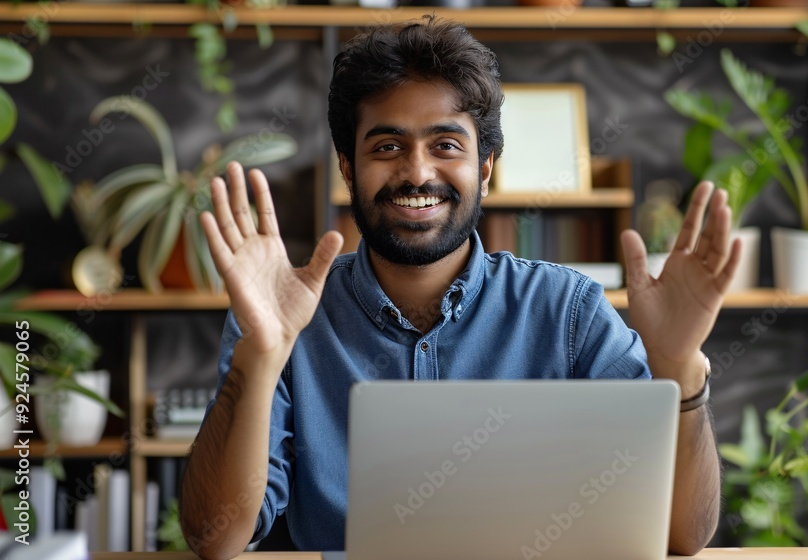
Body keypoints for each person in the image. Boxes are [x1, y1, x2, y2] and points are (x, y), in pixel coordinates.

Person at [180, 15, 741, 560]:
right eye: (386, 146)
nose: (417, 173)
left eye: (446, 145)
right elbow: (216, 538)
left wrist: (678, 363)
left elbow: (682, 537)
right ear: (348, 169)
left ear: (487, 168)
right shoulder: (285, 319)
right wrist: (259, 360)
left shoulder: (570, 313)